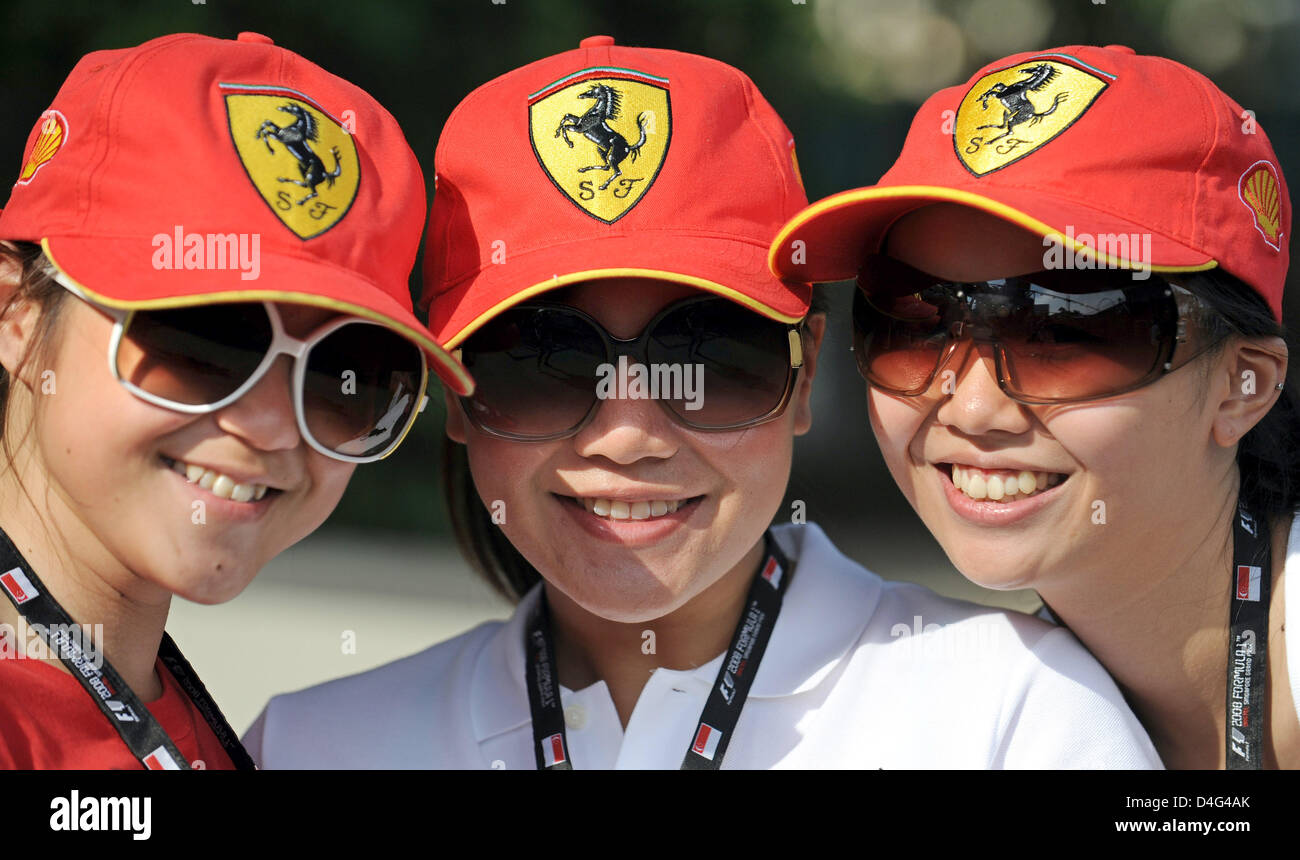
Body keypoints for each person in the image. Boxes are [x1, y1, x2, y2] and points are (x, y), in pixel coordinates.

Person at [245, 35, 1159, 769]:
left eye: (715, 356)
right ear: (453, 388)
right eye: (544, 360)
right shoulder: (310, 746)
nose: (630, 433)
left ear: (805, 381)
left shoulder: (1017, 716)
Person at [771, 44, 1298, 769]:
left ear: (1244, 385)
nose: (973, 407)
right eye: (916, 322)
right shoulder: (987, 714)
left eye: (1065, 330)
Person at [0, 31, 471, 770]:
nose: (270, 425)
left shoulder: (166, 716)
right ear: (15, 317)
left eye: (342, 376)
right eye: (206, 340)